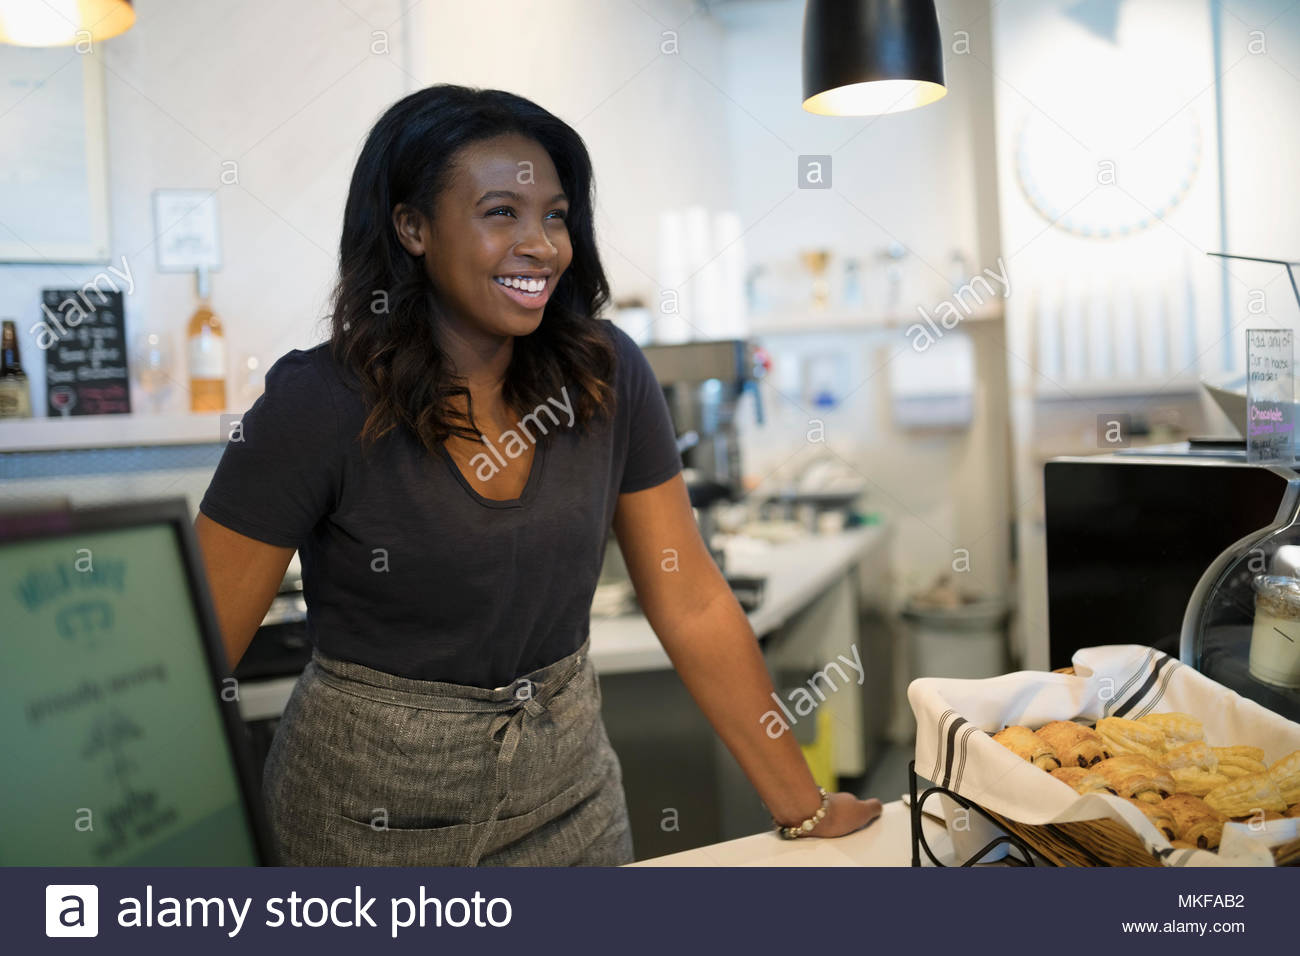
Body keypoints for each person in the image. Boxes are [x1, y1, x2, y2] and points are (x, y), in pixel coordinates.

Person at [194, 83, 883, 867]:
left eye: (554, 215)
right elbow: (193, 657)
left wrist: (803, 806)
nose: (543, 244)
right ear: (412, 227)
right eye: (501, 214)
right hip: (367, 821)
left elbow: (689, 596)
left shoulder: (605, 374)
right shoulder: (318, 402)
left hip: (569, 801)